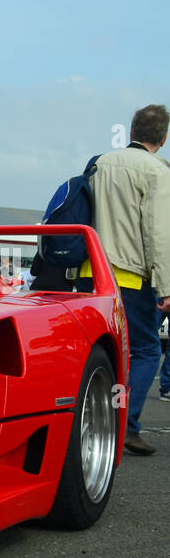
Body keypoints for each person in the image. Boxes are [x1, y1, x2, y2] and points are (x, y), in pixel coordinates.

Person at [80, 104, 170, 455]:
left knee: (101, 351)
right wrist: (165, 287)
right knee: (146, 351)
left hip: (90, 272)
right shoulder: (157, 171)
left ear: (131, 131)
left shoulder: (99, 163)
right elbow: (159, 234)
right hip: (130, 279)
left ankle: (92, 419)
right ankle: (125, 425)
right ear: (163, 138)